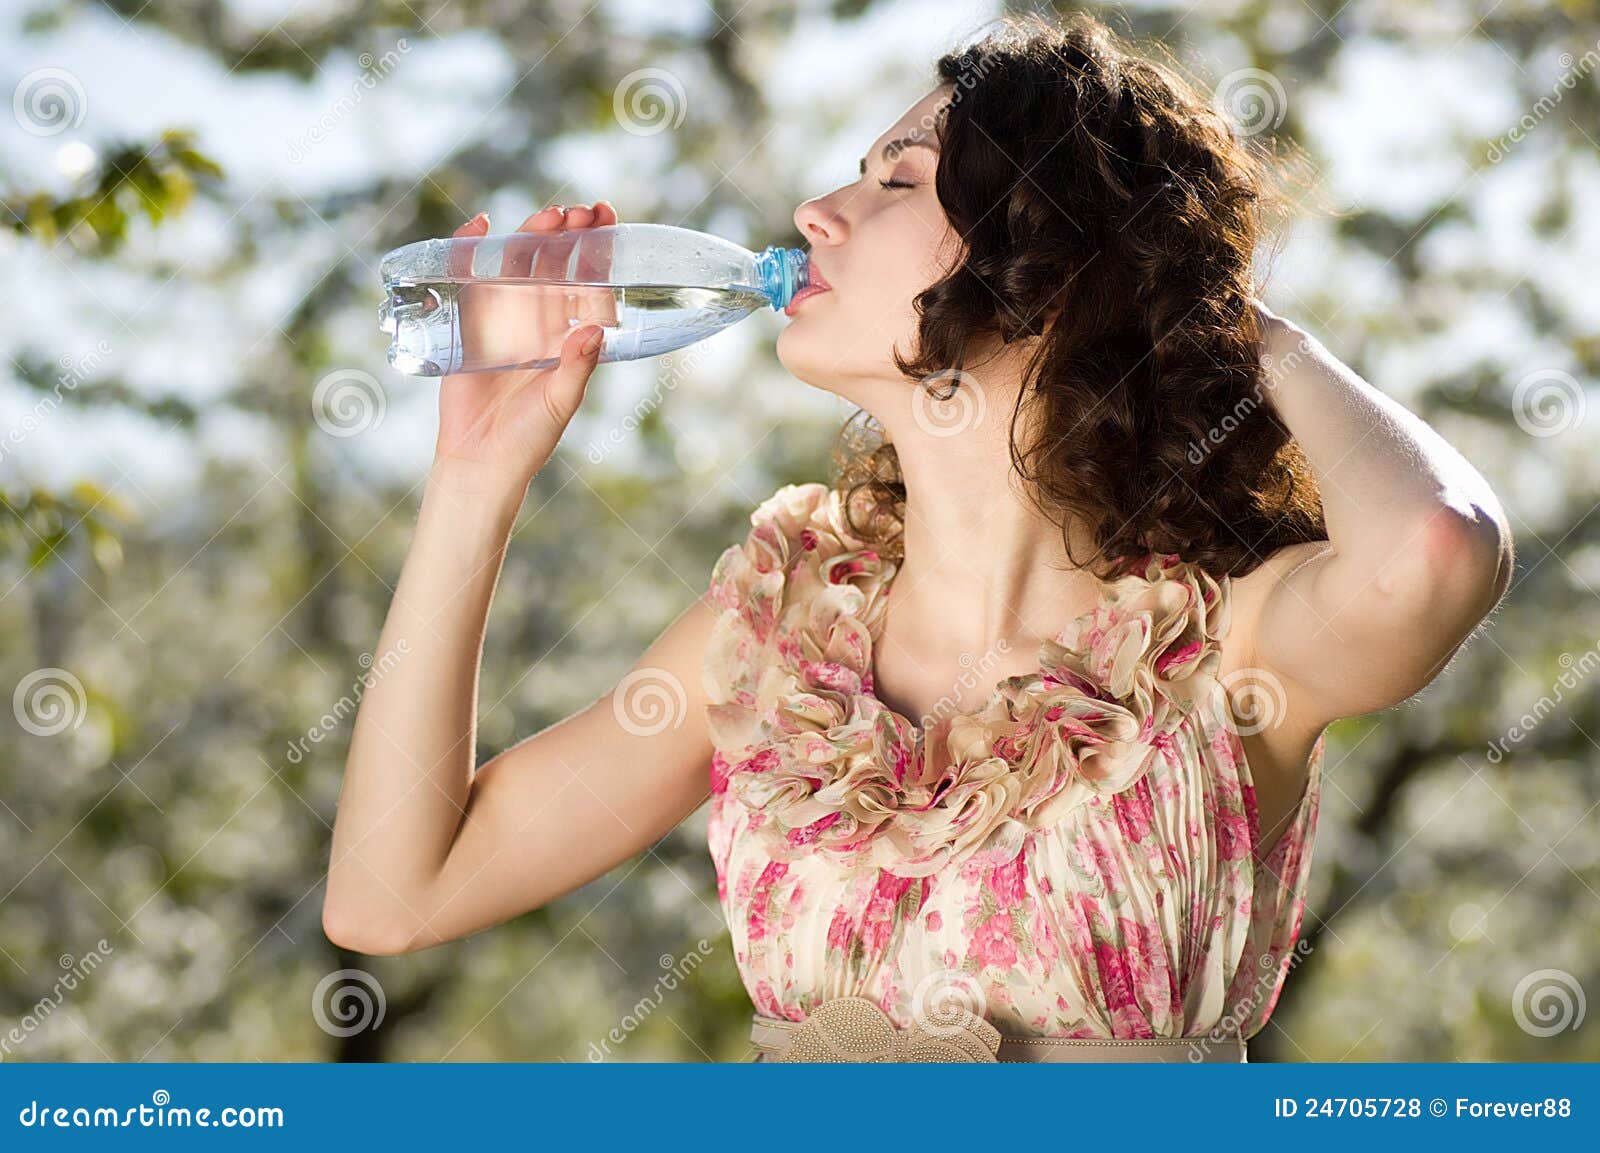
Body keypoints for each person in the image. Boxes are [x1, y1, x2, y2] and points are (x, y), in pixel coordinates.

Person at [322, 11, 1513, 1062]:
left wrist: (1215, 310)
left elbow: (1435, 553)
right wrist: (474, 476)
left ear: (1049, 262)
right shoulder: (778, 642)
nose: (811, 213)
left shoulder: (1226, 651)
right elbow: (389, 894)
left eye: (898, 180)